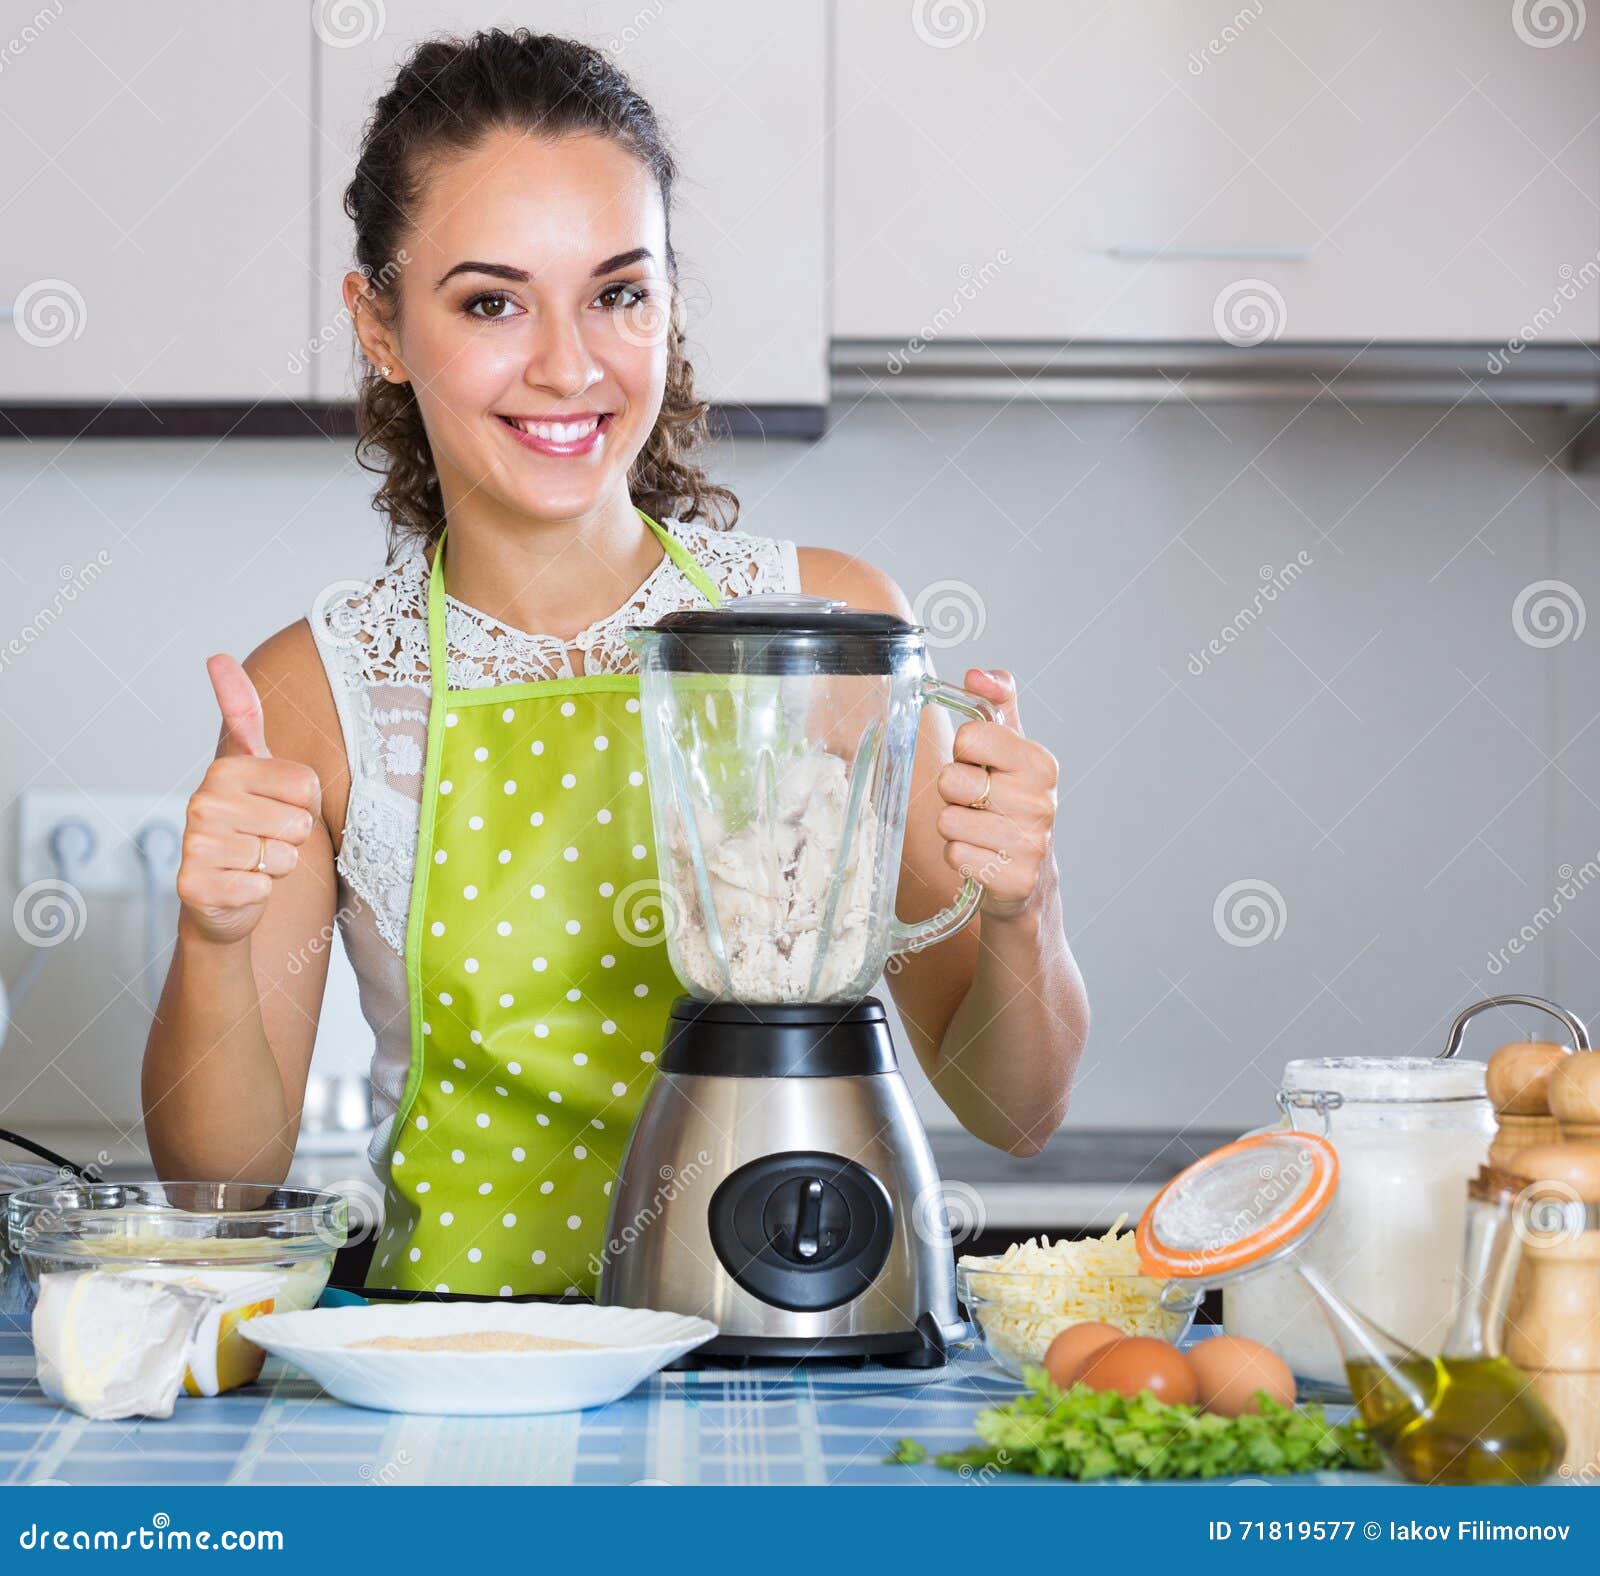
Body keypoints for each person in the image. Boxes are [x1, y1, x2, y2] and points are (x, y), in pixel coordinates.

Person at [142, 28, 1088, 1297]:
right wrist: (212, 934)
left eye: (618, 293)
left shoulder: (828, 633)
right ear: (379, 323)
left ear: (668, 303)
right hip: (461, 1375)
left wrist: (1024, 908)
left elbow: (1014, 1111)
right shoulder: (316, 693)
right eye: (491, 302)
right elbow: (223, 1186)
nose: (569, 365)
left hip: (780, 1351)